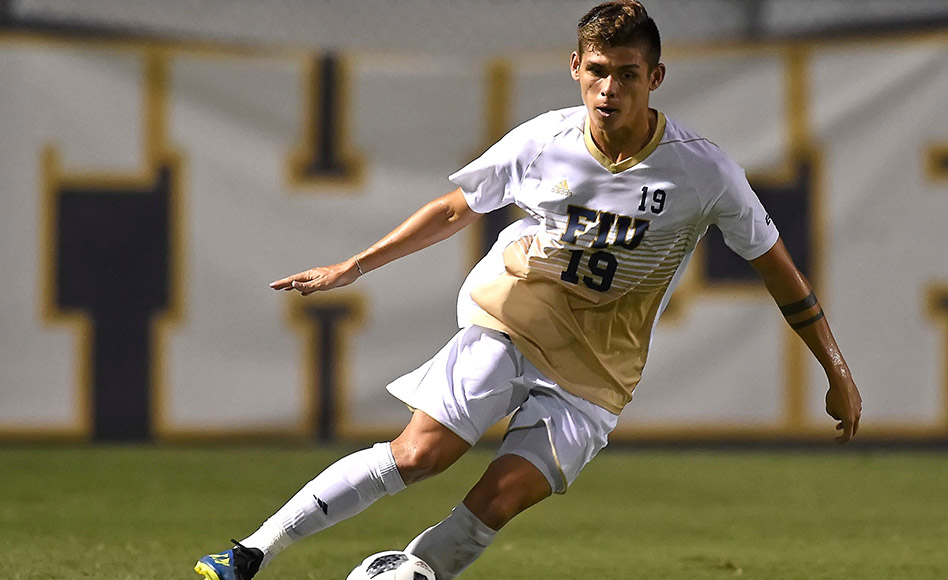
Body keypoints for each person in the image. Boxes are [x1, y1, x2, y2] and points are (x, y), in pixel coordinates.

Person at [194, 2, 862, 579]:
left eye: (627, 74)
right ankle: (251, 553)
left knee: (499, 499)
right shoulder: (546, 140)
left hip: (598, 373)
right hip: (509, 319)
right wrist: (355, 266)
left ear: (654, 79)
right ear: (576, 67)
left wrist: (834, 368)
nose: (608, 89)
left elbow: (777, 267)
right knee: (419, 454)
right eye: (597, 71)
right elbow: (458, 207)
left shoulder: (702, 170)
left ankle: (414, 568)